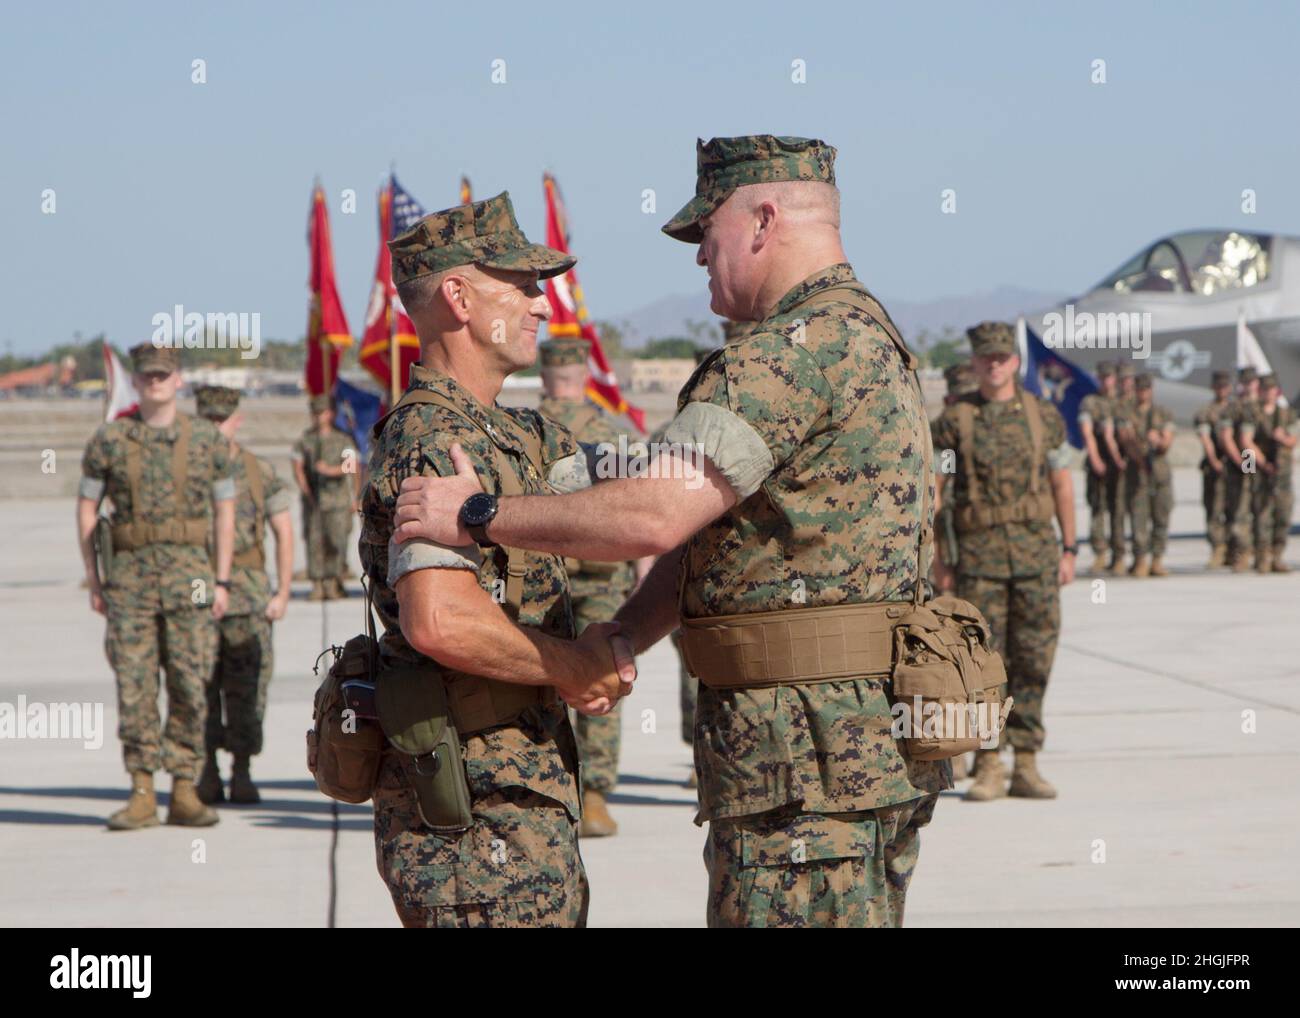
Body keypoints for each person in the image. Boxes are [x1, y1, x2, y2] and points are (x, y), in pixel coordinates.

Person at [392, 136, 950, 928]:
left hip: (806, 764)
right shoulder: (866, 332)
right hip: (848, 754)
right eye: (516, 284)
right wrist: (617, 637)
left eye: (705, 235)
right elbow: (707, 533)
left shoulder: (788, 353)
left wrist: (478, 514)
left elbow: (655, 514)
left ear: (762, 220)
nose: (697, 260)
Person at [359, 191, 635, 928]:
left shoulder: (522, 436)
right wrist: (574, 667)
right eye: (521, 286)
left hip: (526, 785)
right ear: (458, 296)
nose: (543, 306)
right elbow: (441, 621)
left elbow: (621, 516)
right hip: (476, 815)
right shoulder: (431, 442)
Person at [76, 344, 234, 830]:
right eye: (147, 376)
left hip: (190, 578)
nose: (155, 383)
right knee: (135, 684)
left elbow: (224, 509)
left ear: (178, 380)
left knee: (190, 683)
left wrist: (221, 578)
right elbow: (87, 510)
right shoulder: (110, 439)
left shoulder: (206, 440)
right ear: (137, 381)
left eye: (163, 375)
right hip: (130, 581)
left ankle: (184, 788)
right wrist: (96, 578)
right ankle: (142, 789)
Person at [930, 321, 1076, 802]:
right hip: (977, 561)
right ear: (974, 364)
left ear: (1014, 362)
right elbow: (937, 492)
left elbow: (1061, 484)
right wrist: (938, 558)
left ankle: (1027, 762)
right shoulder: (955, 422)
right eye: (985, 358)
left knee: (1035, 659)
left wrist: (1070, 548)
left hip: (1036, 557)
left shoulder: (1042, 416)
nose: (993, 365)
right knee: (983, 665)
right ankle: (989, 762)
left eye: (1001, 358)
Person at [536, 336, 652, 837]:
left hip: (540, 579)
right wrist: (645, 571)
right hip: (605, 577)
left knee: (537, 683)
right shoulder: (613, 432)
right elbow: (641, 509)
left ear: (543, 376)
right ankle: (597, 796)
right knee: (603, 679)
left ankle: (543, 790)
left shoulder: (525, 430)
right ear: (583, 373)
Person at [192, 386, 294, 804]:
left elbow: (283, 531)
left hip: (248, 596)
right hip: (197, 596)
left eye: (223, 419)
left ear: (238, 419)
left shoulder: (257, 471)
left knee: (248, 687)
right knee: (197, 687)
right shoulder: (187, 472)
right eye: (208, 419)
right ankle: (205, 771)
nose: (216, 427)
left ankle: (242, 770)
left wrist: (283, 592)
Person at [292, 395, 359, 600]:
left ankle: (333, 581)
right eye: (315, 413)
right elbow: (297, 464)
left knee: (336, 541)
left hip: (337, 500)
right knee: (315, 542)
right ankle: (318, 583)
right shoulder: (307, 439)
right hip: (315, 501)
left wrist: (330, 472)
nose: (317, 417)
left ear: (330, 414)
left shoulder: (343, 439)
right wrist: (304, 488)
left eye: (321, 412)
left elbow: (351, 467)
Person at [1125, 374, 1175, 577]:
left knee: (1161, 516)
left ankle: (1157, 559)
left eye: (1146, 389)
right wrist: (1137, 453)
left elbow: (1168, 442)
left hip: (1160, 473)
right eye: (1140, 389)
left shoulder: (1162, 413)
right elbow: (1125, 440)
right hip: (1138, 474)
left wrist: (1159, 441)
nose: (1143, 393)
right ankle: (1140, 559)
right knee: (1138, 518)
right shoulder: (1128, 413)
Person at [1245, 373, 1296, 572]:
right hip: (1258, 469)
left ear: (1277, 391)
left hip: (1282, 472)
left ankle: (1277, 555)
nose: (1268, 393)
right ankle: (1261, 556)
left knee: (1283, 513)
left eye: (1272, 389)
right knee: (1260, 513)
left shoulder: (1286, 414)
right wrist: (1263, 462)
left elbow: (1293, 440)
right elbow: (1246, 441)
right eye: (1265, 389)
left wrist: (1282, 438)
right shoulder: (1252, 413)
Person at [1219, 367, 1262, 571]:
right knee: (1240, 511)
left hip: (1264, 467)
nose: (1249, 386)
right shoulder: (1233, 408)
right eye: (1245, 383)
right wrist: (1244, 464)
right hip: (1243, 464)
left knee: (1262, 510)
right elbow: (1227, 438)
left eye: (1252, 382)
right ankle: (1241, 554)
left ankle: (1263, 554)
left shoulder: (1264, 407)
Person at [1077, 362, 1116, 575]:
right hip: (1099, 465)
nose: (1106, 381)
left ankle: (1120, 555)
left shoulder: (1122, 402)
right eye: (1103, 377)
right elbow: (1087, 433)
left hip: (1122, 466)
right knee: (1098, 508)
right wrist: (1096, 459)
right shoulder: (1090, 403)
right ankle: (1100, 553)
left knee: (1119, 510)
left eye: (1109, 377)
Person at [1193, 370, 1234, 568]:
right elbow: (1206, 439)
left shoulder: (1238, 410)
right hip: (1215, 468)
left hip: (1238, 468)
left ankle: (1236, 550)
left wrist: (1248, 469)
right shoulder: (1206, 412)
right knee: (1214, 509)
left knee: (1237, 509)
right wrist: (1214, 461)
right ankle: (1218, 548)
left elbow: (1249, 443)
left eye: (1225, 386)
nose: (1222, 390)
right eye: (1219, 386)